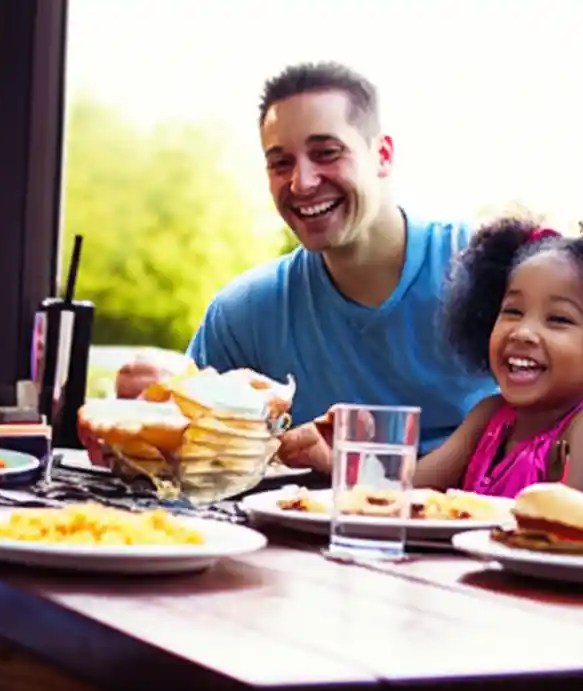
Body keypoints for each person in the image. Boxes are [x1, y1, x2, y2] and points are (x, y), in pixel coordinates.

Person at [126, 62, 495, 468]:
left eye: (326, 153)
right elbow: (186, 465)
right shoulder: (243, 314)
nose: (301, 183)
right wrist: (144, 418)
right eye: (280, 163)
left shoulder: (488, 269)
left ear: (382, 156)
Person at [391, 203, 583, 514]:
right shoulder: (488, 415)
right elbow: (407, 487)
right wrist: (334, 460)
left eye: (558, 319)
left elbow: (560, 518)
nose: (523, 332)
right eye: (512, 311)